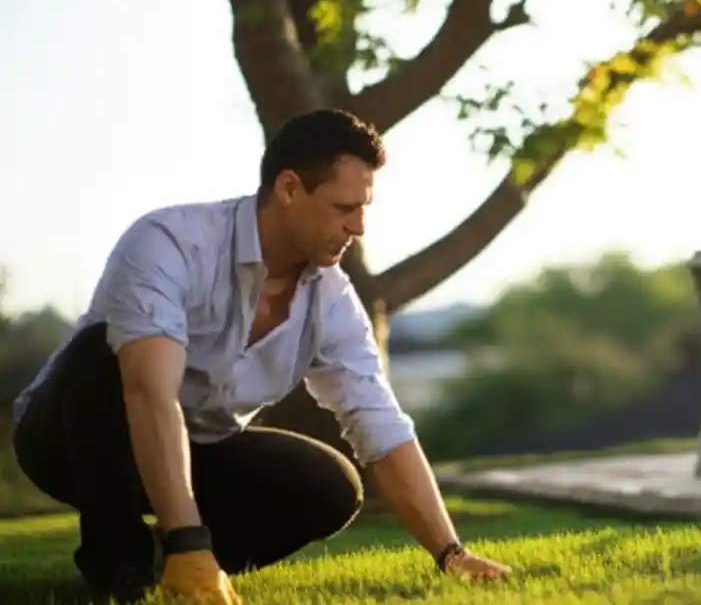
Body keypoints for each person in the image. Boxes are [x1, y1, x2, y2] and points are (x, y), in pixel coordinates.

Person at [11, 109, 511, 604]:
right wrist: (190, 534)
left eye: (364, 209)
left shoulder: (331, 299)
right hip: (74, 439)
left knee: (332, 486)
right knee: (100, 354)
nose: (358, 226)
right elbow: (148, 392)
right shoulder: (170, 242)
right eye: (343, 208)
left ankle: (180, 564)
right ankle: (123, 568)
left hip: (199, 444)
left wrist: (451, 553)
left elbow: (380, 424)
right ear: (290, 189)